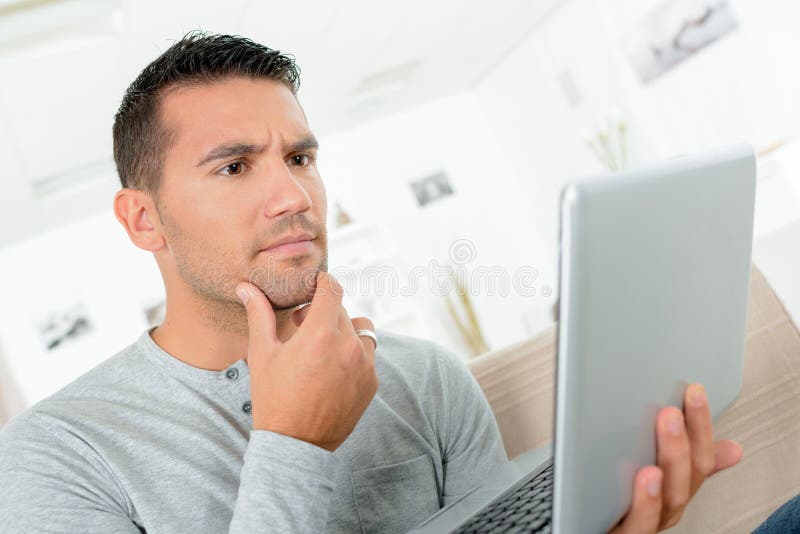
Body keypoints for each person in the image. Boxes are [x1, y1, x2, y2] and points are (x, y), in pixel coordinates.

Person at [0, 31, 742, 533]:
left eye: (299, 157)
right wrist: (293, 440)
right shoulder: (56, 453)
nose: (295, 196)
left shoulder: (426, 378)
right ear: (142, 221)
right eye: (233, 166)